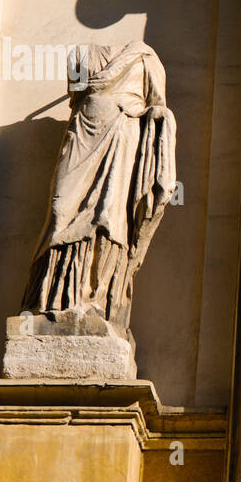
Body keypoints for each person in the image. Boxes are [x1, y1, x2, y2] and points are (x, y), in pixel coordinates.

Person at [20, 41, 176, 335]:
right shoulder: (79, 53)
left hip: (121, 138)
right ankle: (51, 300)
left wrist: (156, 116)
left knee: (107, 218)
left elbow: (159, 104)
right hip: (79, 135)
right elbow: (75, 96)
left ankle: (95, 302)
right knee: (59, 211)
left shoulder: (145, 56)